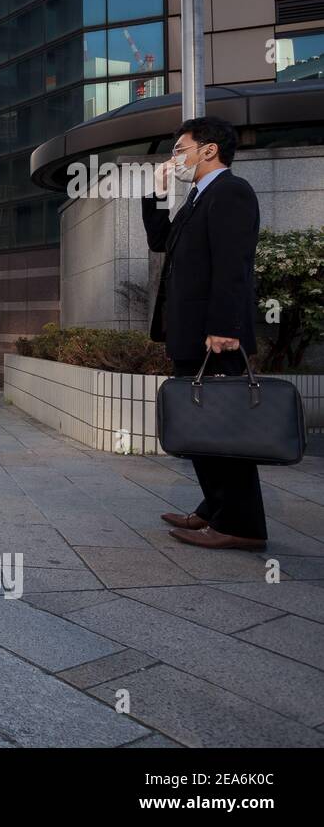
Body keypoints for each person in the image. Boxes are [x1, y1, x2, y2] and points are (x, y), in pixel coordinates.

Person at [143, 116, 266, 551]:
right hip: (190, 333)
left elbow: (234, 265)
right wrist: (156, 192)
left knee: (222, 427)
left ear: (209, 149)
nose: (176, 157)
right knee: (201, 424)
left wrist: (224, 327)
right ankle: (214, 508)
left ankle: (242, 524)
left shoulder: (231, 192)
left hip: (214, 336)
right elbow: (160, 241)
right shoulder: (197, 198)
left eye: (181, 148)